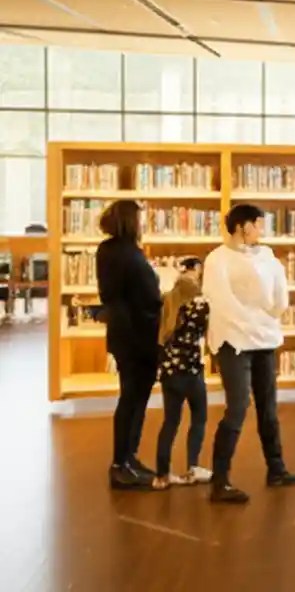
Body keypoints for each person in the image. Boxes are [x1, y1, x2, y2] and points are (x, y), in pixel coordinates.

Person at [204, 204, 295, 504]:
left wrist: (267, 318)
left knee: (268, 407)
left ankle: (276, 469)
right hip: (233, 341)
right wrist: (256, 319)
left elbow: (279, 295)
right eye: (258, 225)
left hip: (265, 339)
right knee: (237, 408)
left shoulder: (267, 255)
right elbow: (222, 302)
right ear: (242, 226)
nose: (262, 231)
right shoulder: (217, 260)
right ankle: (219, 481)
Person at [96, 199, 163, 490]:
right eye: (140, 218)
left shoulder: (106, 250)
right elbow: (148, 296)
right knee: (133, 400)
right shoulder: (131, 255)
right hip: (139, 335)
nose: (143, 224)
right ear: (130, 221)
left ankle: (127, 459)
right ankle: (122, 463)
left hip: (122, 333)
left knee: (131, 398)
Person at [152, 274, 212, 489]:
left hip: (169, 374)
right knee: (199, 418)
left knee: (170, 422)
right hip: (191, 373)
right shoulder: (197, 311)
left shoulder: (166, 308)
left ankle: (162, 475)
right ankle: (193, 467)